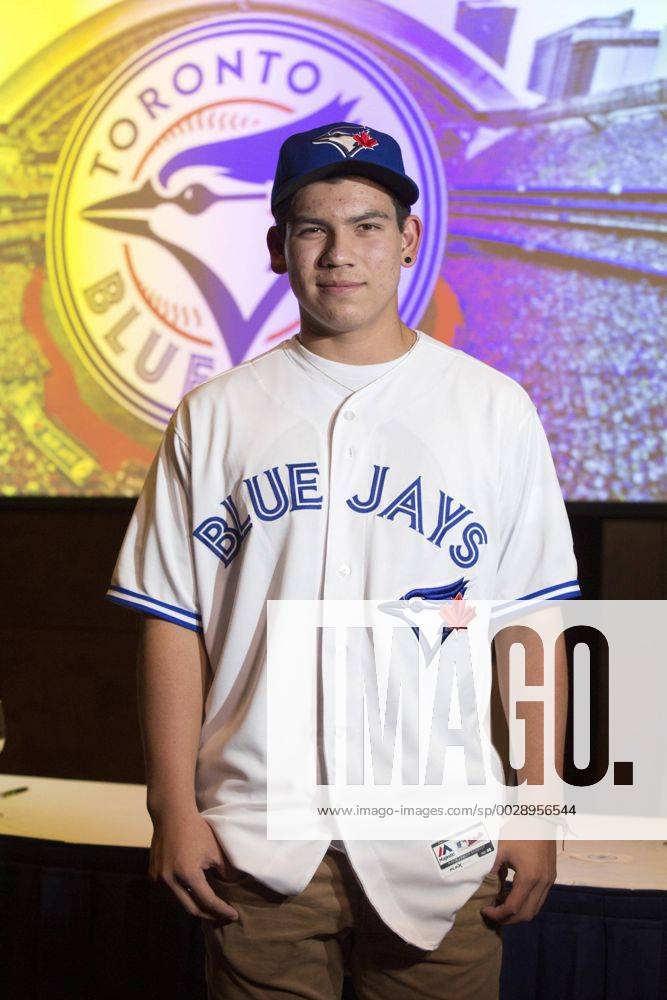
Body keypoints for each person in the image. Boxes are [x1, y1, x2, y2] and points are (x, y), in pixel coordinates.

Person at [106, 121, 579, 999]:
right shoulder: (215, 415)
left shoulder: (493, 409)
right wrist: (171, 806)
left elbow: (530, 625)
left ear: (406, 240)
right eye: (314, 228)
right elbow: (174, 626)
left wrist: (538, 807)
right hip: (256, 842)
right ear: (279, 248)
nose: (339, 253)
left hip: (442, 841)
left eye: (366, 226)